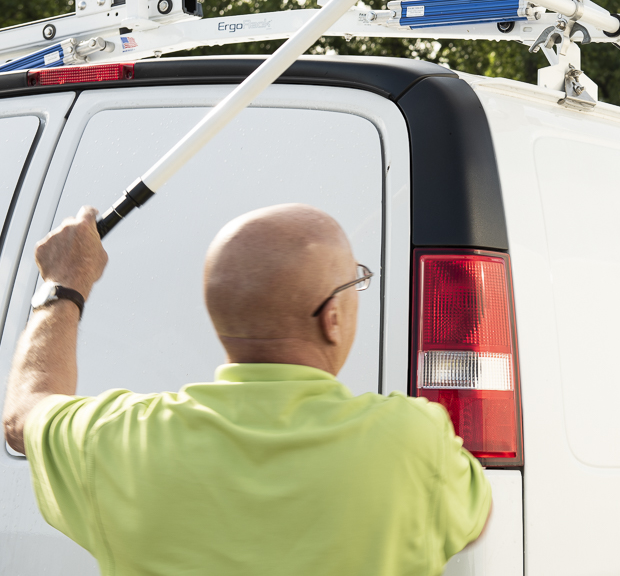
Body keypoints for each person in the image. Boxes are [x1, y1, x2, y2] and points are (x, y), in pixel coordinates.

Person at [3, 203, 491, 575]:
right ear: (333, 319)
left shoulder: (120, 438)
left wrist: (65, 283)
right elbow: (474, 521)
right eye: (354, 284)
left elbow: (24, 415)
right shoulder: (413, 442)